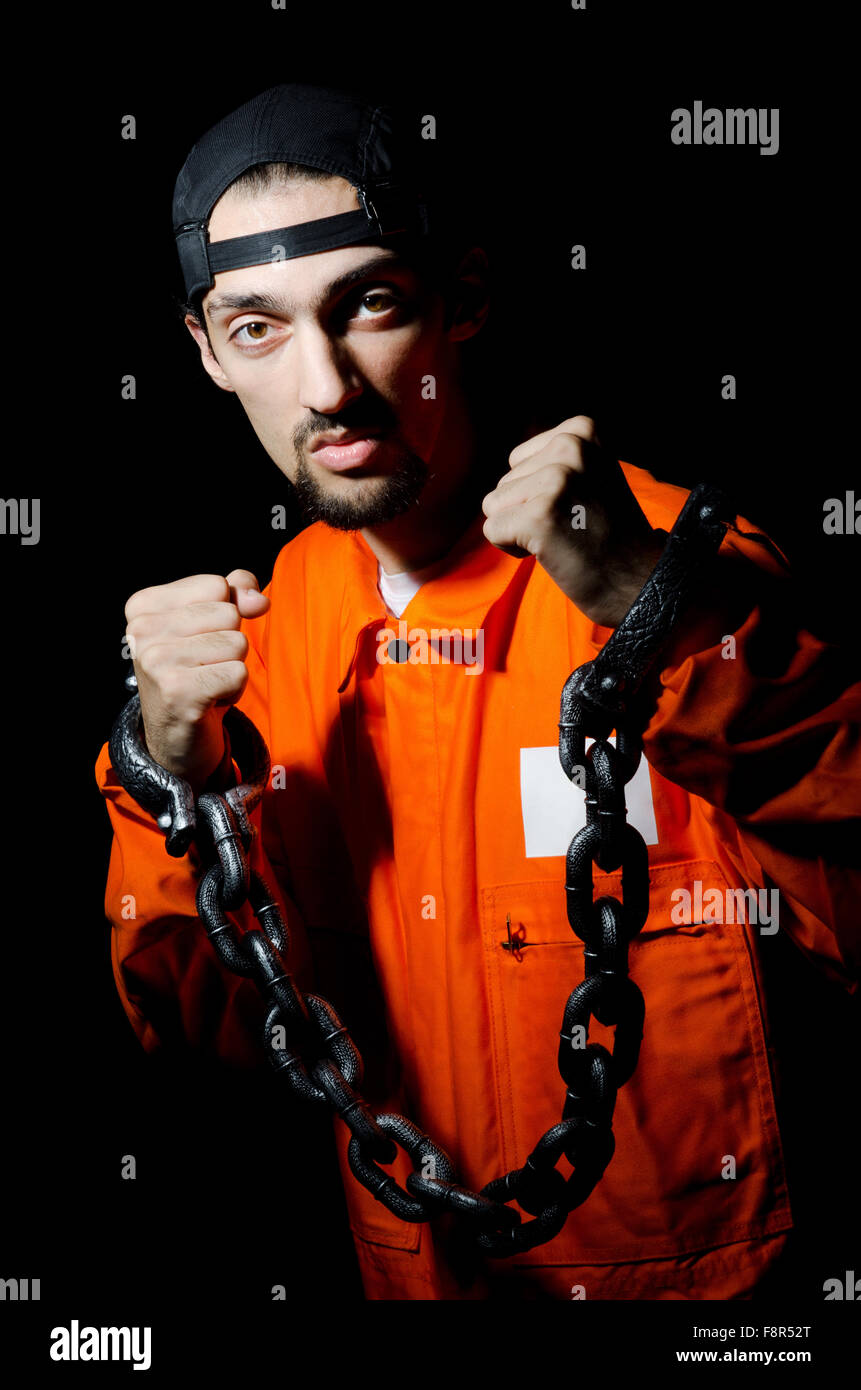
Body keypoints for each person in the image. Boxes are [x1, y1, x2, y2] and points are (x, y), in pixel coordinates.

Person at [95, 82, 859, 1301]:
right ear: (203, 351)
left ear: (467, 301)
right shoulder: (263, 639)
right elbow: (209, 1043)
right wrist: (164, 776)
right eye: (258, 327)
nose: (327, 387)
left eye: (372, 303)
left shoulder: (674, 568)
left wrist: (666, 615)